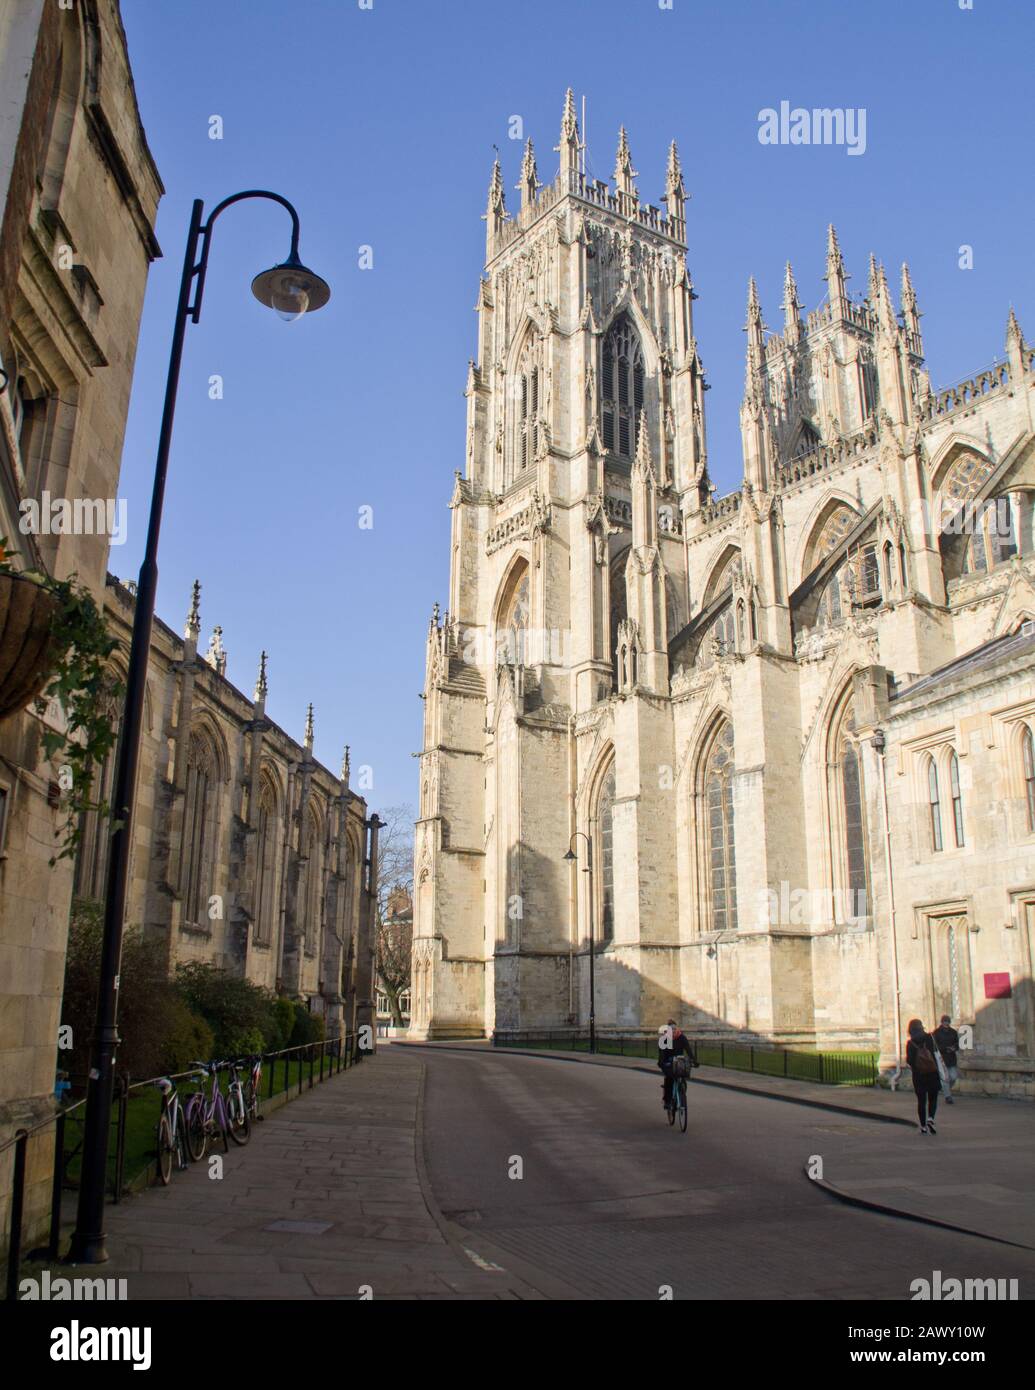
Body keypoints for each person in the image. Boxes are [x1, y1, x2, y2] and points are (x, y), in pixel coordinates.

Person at [905, 1018, 942, 1135]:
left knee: (921, 1101)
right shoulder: (930, 1038)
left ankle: (923, 1126)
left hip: (919, 1075)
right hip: (932, 1073)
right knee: (933, 1098)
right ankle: (930, 1118)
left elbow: (910, 1061)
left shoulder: (910, 1044)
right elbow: (936, 1053)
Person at [658, 1018, 696, 1110]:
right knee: (669, 1080)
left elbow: (688, 1049)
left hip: (679, 1061)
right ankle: (667, 1101)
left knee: (683, 1078)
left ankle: (681, 1094)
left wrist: (694, 1060)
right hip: (668, 1061)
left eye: (675, 1028)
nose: (673, 1030)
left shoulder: (682, 1037)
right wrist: (662, 1062)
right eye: (671, 1029)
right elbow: (662, 1053)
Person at [933, 1014, 960, 1103]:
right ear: (942, 1022)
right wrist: (945, 1049)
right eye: (945, 1021)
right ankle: (948, 1096)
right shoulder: (936, 1032)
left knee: (953, 1077)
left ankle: (945, 1089)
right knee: (945, 1078)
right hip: (942, 1058)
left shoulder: (953, 1032)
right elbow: (935, 1046)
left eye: (947, 1021)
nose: (946, 1023)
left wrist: (954, 1048)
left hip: (951, 1058)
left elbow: (957, 1043)